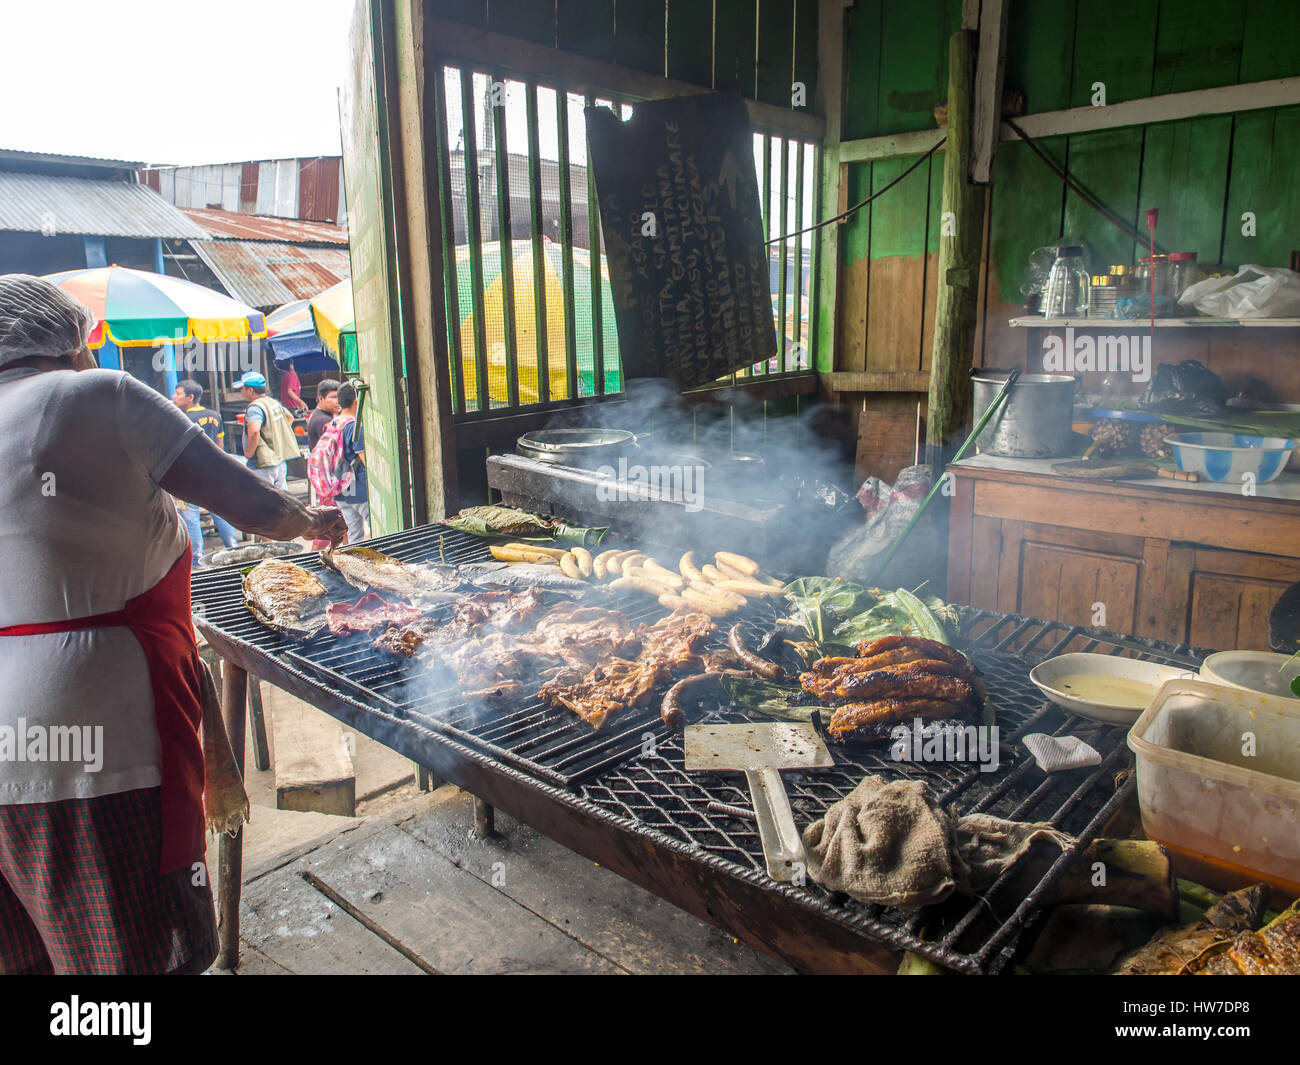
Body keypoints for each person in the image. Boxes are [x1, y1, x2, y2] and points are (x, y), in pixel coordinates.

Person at [0, 275, 346, 975]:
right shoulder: (95, 396)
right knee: (140, 965)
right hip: (95, 743)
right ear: (68, 342)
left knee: (36, 962)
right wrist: (315, 521)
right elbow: (246, 499)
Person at [170, 379, 240, 563]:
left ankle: (197, 559)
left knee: (190, 516)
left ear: (190, 397)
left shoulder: (181, 419)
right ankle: (233, 550)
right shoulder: (215, 415)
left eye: (178, 393)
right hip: (213, 471)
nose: (173, 397)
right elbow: (220, 444)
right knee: (220, 510)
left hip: (190, 475)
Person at [238, 370, 299, 491]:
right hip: (279, 461)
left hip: (263, 463)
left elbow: (255, 431)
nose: (240, 391)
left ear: (250, 390)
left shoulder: (255, 408)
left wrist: (249, 452)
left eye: (242, 388)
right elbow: (289, 417)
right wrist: (277, 433)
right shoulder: (273, 402)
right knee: (282, 500)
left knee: (262, 500)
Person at [335, 381, 368, 543]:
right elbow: (365, 461)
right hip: (358, 488)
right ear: (357, 401)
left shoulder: (334, 422)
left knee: (354, 535)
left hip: (339, 488)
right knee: (377, 530)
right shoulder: (354, 426)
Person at [306, 377, 340, 451]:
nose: (338, 401)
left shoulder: (318, 415)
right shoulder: (323, 420)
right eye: (333, 397)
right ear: (320, 399)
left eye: (339, 397)